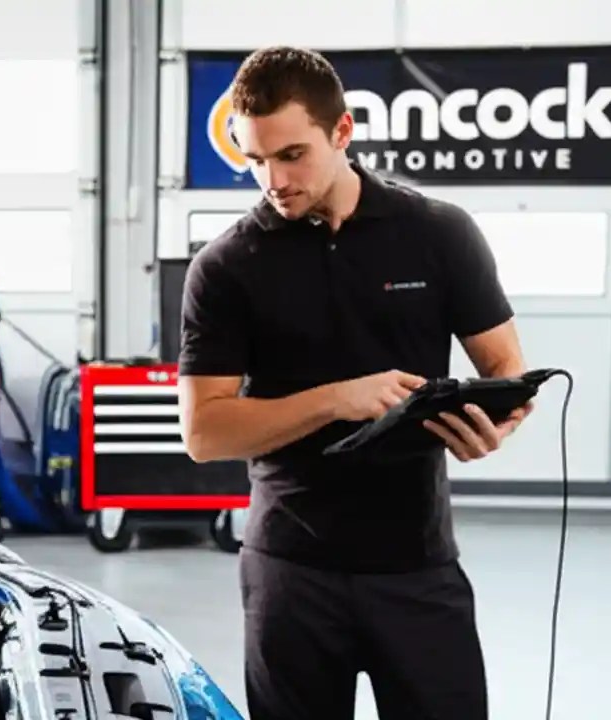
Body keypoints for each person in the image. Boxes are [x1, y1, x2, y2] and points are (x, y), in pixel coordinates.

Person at [176, 46, 535, 720]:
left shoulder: (438, 233)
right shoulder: (226, 266)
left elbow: (504, 368)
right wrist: (337, 399)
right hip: (290, 569)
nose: (272, 180)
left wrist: (496, 425)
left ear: (342, 132)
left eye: (291, 155)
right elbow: (203, 432)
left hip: (417, 564)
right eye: (254, 160)